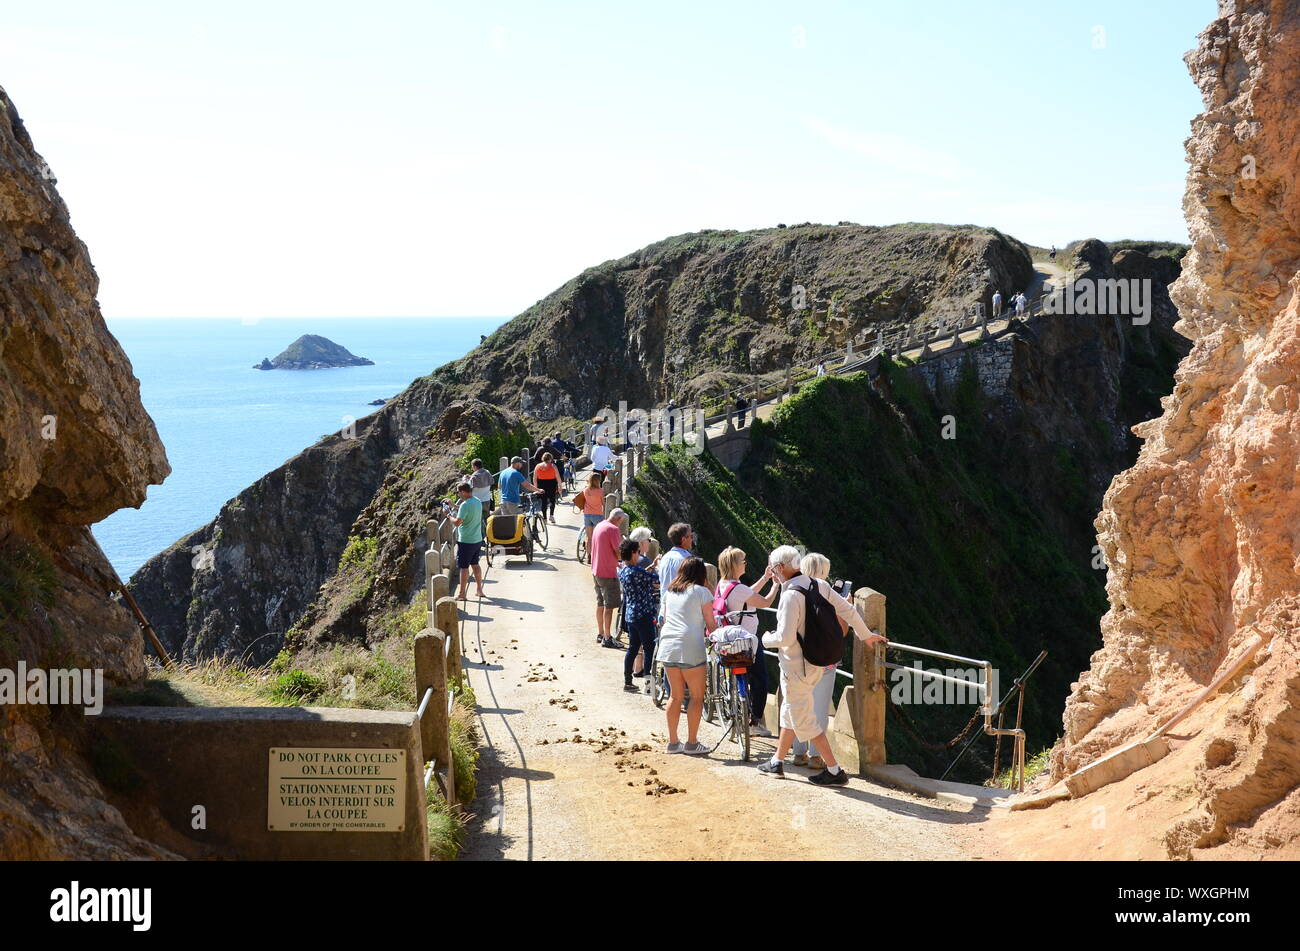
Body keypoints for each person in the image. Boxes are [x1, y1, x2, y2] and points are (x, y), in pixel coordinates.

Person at [757, 545, 884, 786]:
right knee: (791, 712)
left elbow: (784, 638)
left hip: (797, 667)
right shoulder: (819, 585)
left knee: (804, 718)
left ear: (781, 567)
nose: (773, 573)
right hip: (817, 663)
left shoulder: (790, 595)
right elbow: (848, 610)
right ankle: (776, 761)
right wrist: (866, 635)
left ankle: (835, 771)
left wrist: (764, 638)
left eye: (774, 569)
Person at [715, 546, 780, 738]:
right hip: (748, 642)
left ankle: (738, 711)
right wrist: (776, 584)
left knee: (746, 678)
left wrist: (765, 578)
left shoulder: (723, 584)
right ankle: (754, 722)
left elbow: (745, 595)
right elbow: (765, 602)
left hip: (730, 639)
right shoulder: (739, 588)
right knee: (760, 680)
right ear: (735, 565)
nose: (745, 563)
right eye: (743, 560)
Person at [658, 556, 716, 755]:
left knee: (675, 695)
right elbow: (711, 624)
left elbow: (665, 619)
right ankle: (692, 743)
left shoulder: (670, 592)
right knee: (697, 697)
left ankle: (673, 743)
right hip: (690, 646)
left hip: (668, 645)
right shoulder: (702, 592)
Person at [790, 553, 842, 767]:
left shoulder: (792, 588)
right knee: (819, 708)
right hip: (823, 660)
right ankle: (815, 755)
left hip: (797, 659)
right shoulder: (827, 591)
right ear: (822, 571)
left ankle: (798, 752)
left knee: (797, 704)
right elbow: (841, 630)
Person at [617, 536, 659, 692]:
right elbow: (656, 579)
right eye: (638, 552)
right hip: (644, 615)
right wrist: (658, 566)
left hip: (631, 615)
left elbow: (641, 575)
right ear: (634, 553)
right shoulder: (638, 571)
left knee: (633, 648)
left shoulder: (624, 571)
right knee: (649, 648)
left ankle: (628, 681)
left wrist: (650, 566)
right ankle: (650, 685)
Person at [591, 508, 628, 649]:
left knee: (600, 603)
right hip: (607, 572)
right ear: (618, 519)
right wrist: (624, 560)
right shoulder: (613, 529)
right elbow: (618, 551)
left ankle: (600, 633)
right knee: (610, 605)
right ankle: (607, 637)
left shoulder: (600, 525)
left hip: (596, 570)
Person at [446, 482, 485, 601]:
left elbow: (457, 522)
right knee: (475, 564)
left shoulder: (465, 505)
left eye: (458, 492)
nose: (458, 495)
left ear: (463, 492)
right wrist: (454, 506)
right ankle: (479, 590)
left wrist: (448, 515)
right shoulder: (477, 501)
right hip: (477, 539)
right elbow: (466, 510)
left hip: (466, 540)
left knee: (463, 567)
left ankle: (462, 593)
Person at [657, 522, 694, 620]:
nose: (692, 539)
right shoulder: (687, 559)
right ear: (683, 539)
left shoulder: (665, 557)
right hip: (680, 611)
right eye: (690, 536)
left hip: (664, 609)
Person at [573, 472, 607, 552]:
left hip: (587, 514)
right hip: (598, 515)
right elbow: (603, 504)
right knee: (596, 537)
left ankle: (589, 556)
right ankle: (595, 555)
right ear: (598, 481)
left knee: (589, 537)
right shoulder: (600, 491)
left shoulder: (585, 490)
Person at [532, 452, 560, 524]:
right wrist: (560, 486)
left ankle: (545, 519)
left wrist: (536, 488)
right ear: (550, 459)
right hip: (552, 484)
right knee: (552, 500)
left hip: (541, 485)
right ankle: (551, 515)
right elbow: (558, 477)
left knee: (544, 502)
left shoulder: (538, 466)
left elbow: (534, 478)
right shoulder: (553, 466)